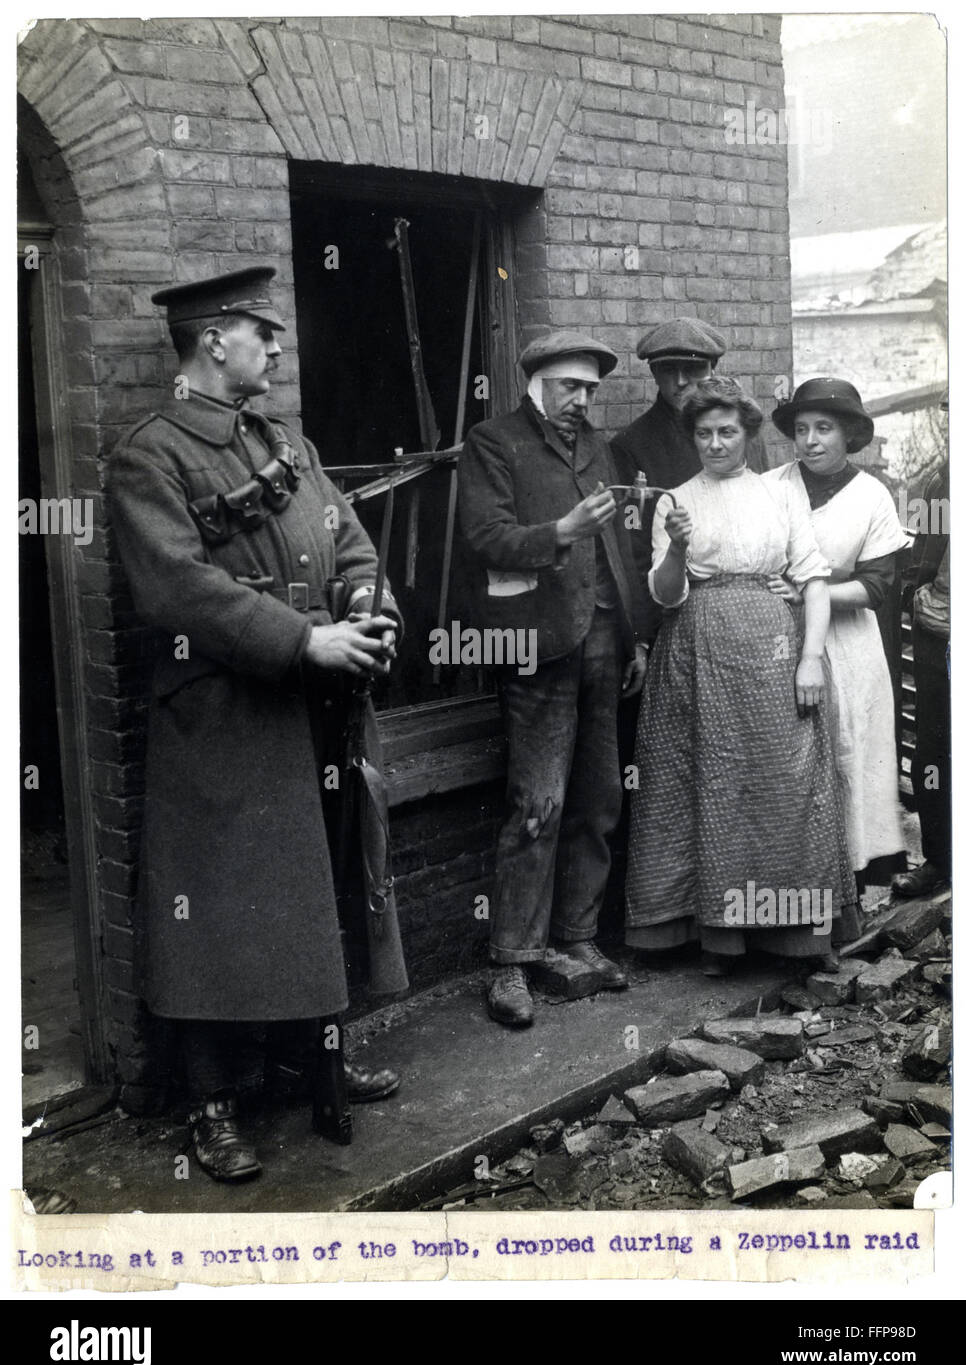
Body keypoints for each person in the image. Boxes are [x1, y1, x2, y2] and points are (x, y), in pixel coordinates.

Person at [106, 266, 408, 1182]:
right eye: (262, 334)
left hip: (317, 712)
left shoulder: (290, 444)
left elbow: (349, 542)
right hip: (223, 717)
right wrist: (301, 639)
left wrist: (367, 610)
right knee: (218, 910)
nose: (276, 349)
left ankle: (314, 1058)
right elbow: (174, 587)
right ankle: (214, 1103)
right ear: (212, 340)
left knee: (320, 888)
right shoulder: (149, 456)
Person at [624, 376, 857, 976]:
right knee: (704, 787)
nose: (716, 443)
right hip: (696, 658)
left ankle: (799, 938)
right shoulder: (675, 501)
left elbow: (813, 580)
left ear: (749, 434)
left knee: (787, 782)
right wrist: (675, 549)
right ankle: (718, 940)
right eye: (704, 433)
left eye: (728, 431)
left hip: (775, 654)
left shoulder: (781, 495)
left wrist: (809, 658)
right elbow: (665, 597)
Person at [458, 331, 650, 1025]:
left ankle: (578, 939)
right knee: (537, 802)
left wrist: (633, 638)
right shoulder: (493, 441)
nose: (582, 399)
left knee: (598, 796)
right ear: (536, 382)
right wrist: (561, 529)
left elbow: (622, 549)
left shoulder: (597, 446)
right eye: (570, 386)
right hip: (538, 644)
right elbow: (485, 536)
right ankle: (510, 962)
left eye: (590, 389)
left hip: (602, 638)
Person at [769, 379, 912, 892]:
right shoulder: (772, 486)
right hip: (780, 639)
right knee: (789, 752)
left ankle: (852, 872)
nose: (810, 441)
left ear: (848, 434)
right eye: (802, 429)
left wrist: (807, 592)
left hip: (848, 644)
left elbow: (875, 587)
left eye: (824, 429)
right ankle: (796, 871)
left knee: (850, 747)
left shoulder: (872, 495)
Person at [892, 403, 950, 896]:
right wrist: (918, 594)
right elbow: (916, 556)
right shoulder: (937, 483)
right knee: (933, 750)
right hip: (941, 633)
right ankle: (940, 860)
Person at [610, 316, 767, 491]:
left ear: (712, 368)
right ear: (655, 373)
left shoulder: (745, 431)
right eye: (669, 370)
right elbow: (630, 516)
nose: (681, 381)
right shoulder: (631, 446)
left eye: (693, 368)